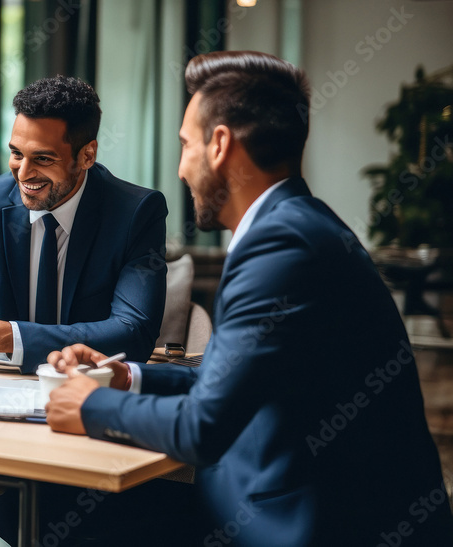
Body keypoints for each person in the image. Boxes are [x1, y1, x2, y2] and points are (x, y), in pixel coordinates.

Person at [44, 51, 453, 545]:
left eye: (185, 145)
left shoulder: (281, 247)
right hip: (287, 498)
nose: (180, 169)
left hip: (311, 522)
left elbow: (203, 428)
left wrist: (91, 406)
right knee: (57, 511)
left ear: (219, 145)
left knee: (64, 518)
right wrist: (125, 376)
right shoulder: (295, 224)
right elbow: (227, 380)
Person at [0, 75, 169, 547]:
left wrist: (2, 335)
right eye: (16, 152)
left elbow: (132, 333)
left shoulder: (135, 211)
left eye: (43, 158)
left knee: (37, 514)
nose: (23, 171)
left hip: (88, 405)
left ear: (86, 155)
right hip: (0, 402)